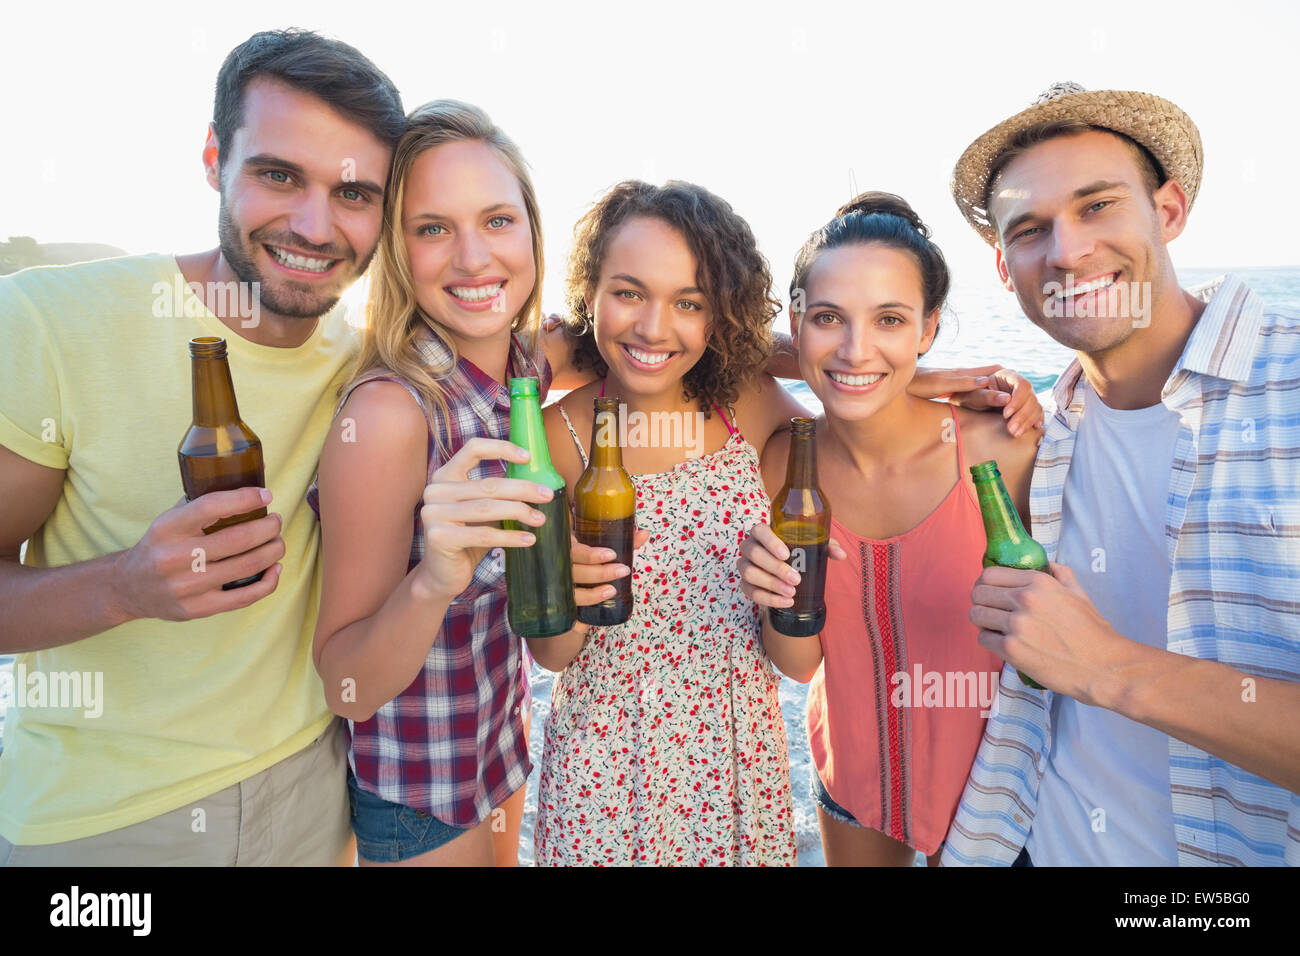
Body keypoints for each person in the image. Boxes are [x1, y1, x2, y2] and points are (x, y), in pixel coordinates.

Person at [530, 182, 1043, 865]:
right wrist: (565, 589)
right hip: (604, 763)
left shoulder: (744, 404)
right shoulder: (556, 438)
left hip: (737, 755)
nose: (655, 327)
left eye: (690, 302)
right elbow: (552, 654)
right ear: (589, 292)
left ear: (719, 315)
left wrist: (916, 377)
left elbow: (841, 397)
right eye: (627, 293)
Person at [0, 29, 404, 865]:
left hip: (313, 794)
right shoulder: (50, 323)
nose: (313, 224)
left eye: (354, 193)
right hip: (103, 823)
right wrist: (124, 586)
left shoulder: (366, 364)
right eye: (278, 174)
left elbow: (538, 347)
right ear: (216, 158)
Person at [943, 82, 1300, 866]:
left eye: (1098, 205)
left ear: (1167, 211)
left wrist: (1109, 668)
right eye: (1031, 230)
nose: (1067, 251)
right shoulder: (1041, 428)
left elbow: (1091, 665)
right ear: (1005, 269)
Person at [308, 100, 607, 867]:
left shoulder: (518, 362)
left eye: (498, 220)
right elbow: (346, 687)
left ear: (532, 232)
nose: (474, 259)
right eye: (433, 228)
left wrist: (853, 372)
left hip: (502, 755)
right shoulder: (389, 414)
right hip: (416, 796)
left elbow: (646, 339)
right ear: (397, 253)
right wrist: (435, 578)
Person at [738, 192, 1040, 866]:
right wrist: (774, 598)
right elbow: (798, 665)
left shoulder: (1006, 446)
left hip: (994, 794)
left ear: (927, 328)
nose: (854, 348)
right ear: (796, 322)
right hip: (850, 782)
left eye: (890, 319)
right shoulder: (784, 462)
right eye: (827, 318)